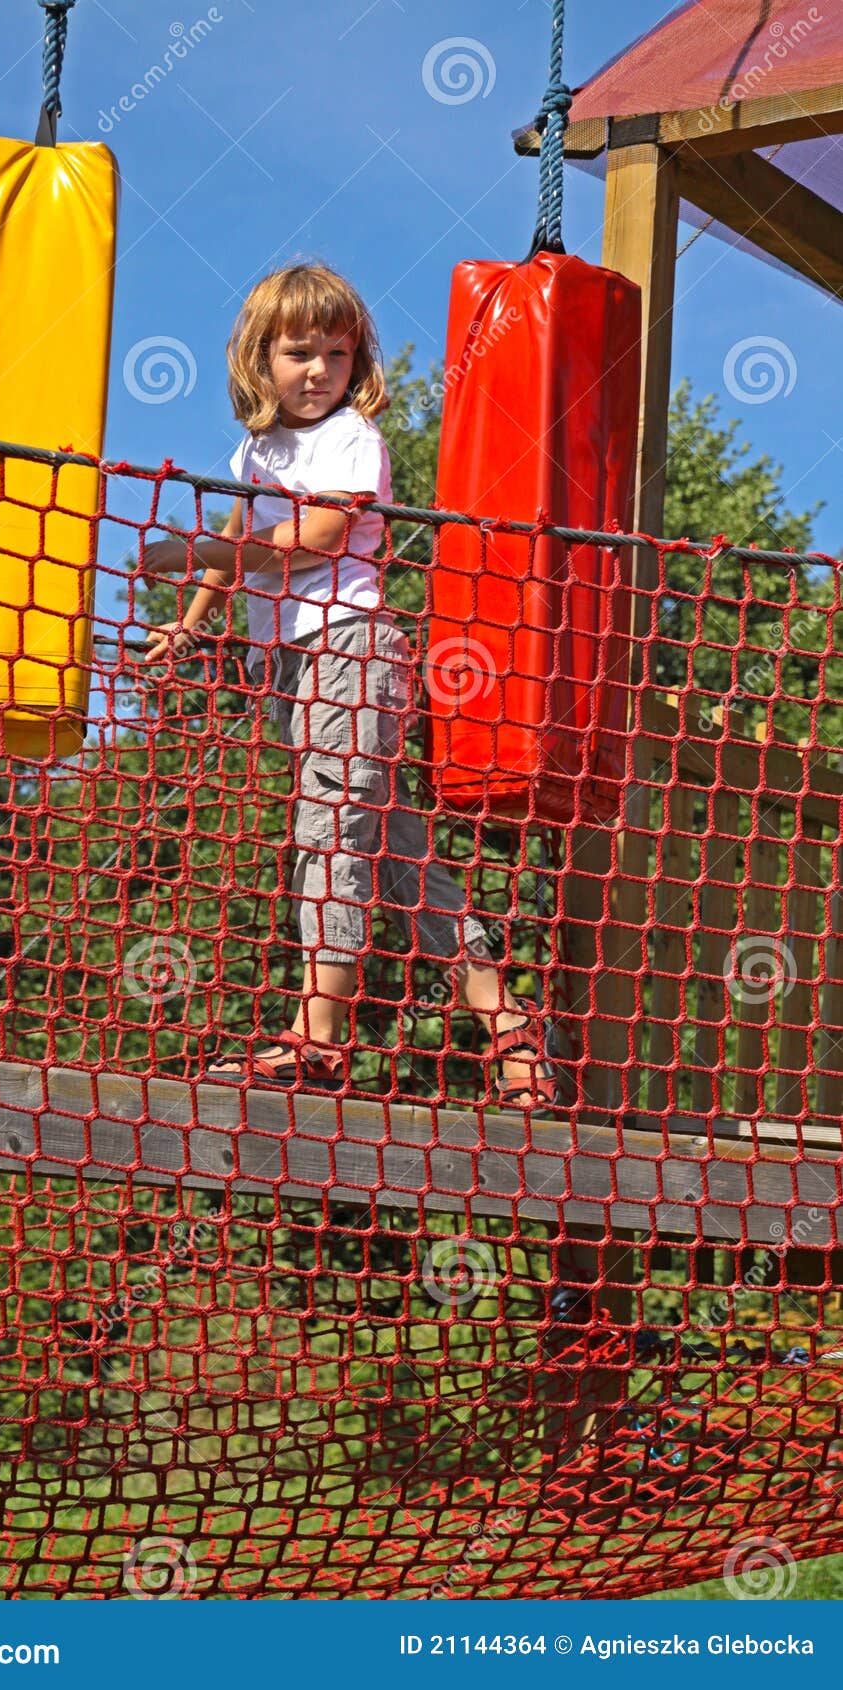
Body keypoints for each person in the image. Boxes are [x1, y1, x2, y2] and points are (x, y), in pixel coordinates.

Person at [138, 262, 555, 1112]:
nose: (319, 369)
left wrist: (194, 555)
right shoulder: (255, 450)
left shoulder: (351, 437)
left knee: (328, 832)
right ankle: (512, 1028)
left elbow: (319, 535)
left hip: (351, 654)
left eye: (337, 351)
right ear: (260, 359)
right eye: (299, 352)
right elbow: (237, 532)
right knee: (399, 858)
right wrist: (190, 618)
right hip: (289, 670)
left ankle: (317, 1038)